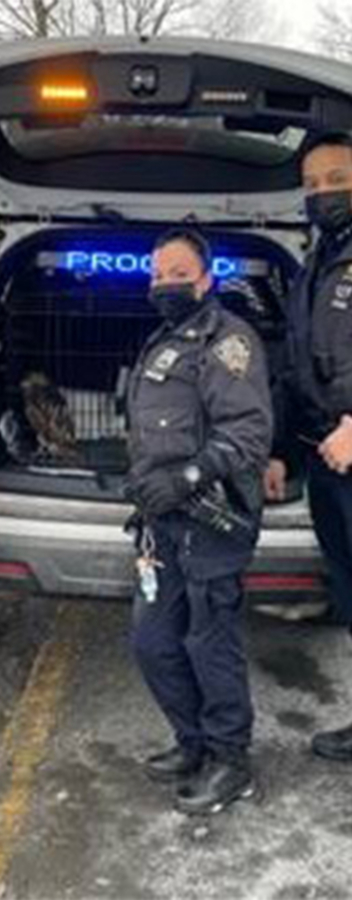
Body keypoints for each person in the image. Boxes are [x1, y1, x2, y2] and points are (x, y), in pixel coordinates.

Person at [124, 228, 271, 815]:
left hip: (211, 520)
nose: (166, 283)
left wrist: (186, 477)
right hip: (162, 524)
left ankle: (230, 761)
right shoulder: (166, 339)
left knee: (211, 645)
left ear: (206, 279)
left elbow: (248, 434)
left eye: (179, 274)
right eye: (158, 274)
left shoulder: (228, 342)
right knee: (153, 640)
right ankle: (193, 743)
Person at [278, 132, 352, 762]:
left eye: (336, 179)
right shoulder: (314, 264)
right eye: (312, 184)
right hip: (323, 458)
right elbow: (293, 368)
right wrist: (279, 448)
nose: (323, 193)